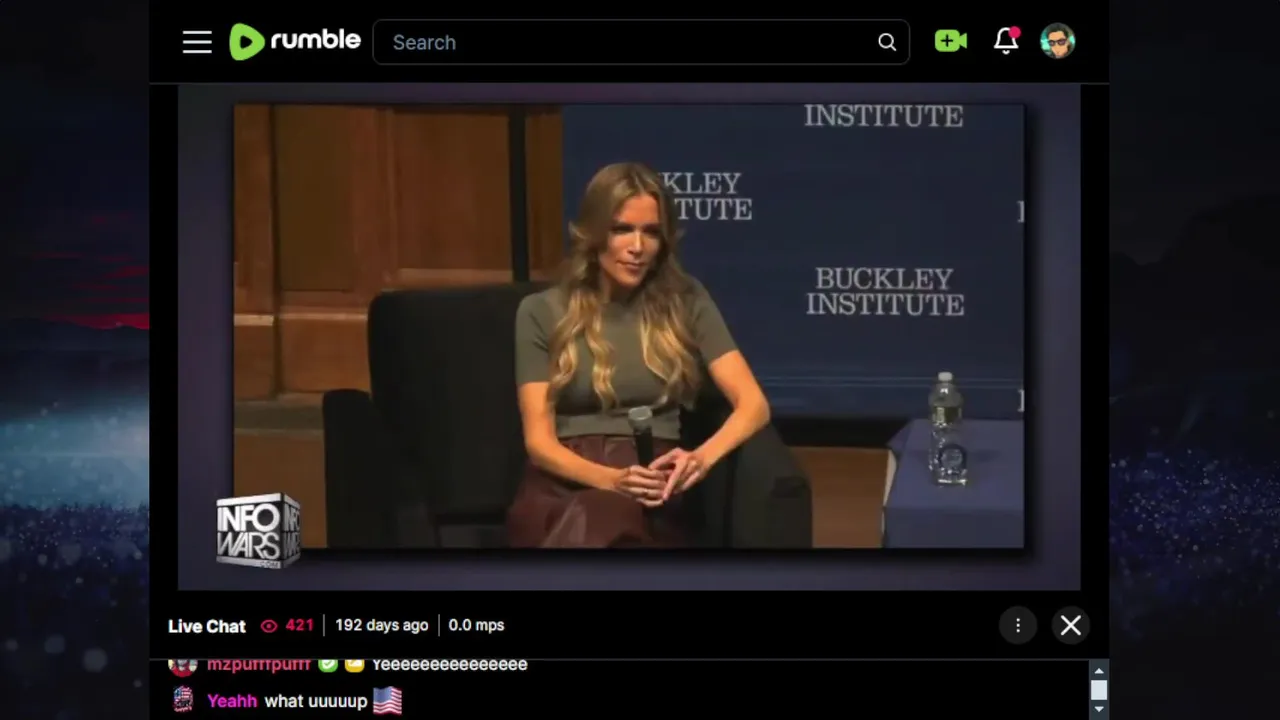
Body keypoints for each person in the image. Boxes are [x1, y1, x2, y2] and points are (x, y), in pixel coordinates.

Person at [507, 162, 771, 548]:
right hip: (562, 482)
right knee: (592, 517)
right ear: (594, 233)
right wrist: (612, 480)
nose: (637, 247)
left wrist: (699, 459)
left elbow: (754, 405)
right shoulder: (539, 312)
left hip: (649, 478)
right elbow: (539, 443)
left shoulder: (686, 300)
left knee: (602, 521)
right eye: (621, 229)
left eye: (650, 232)